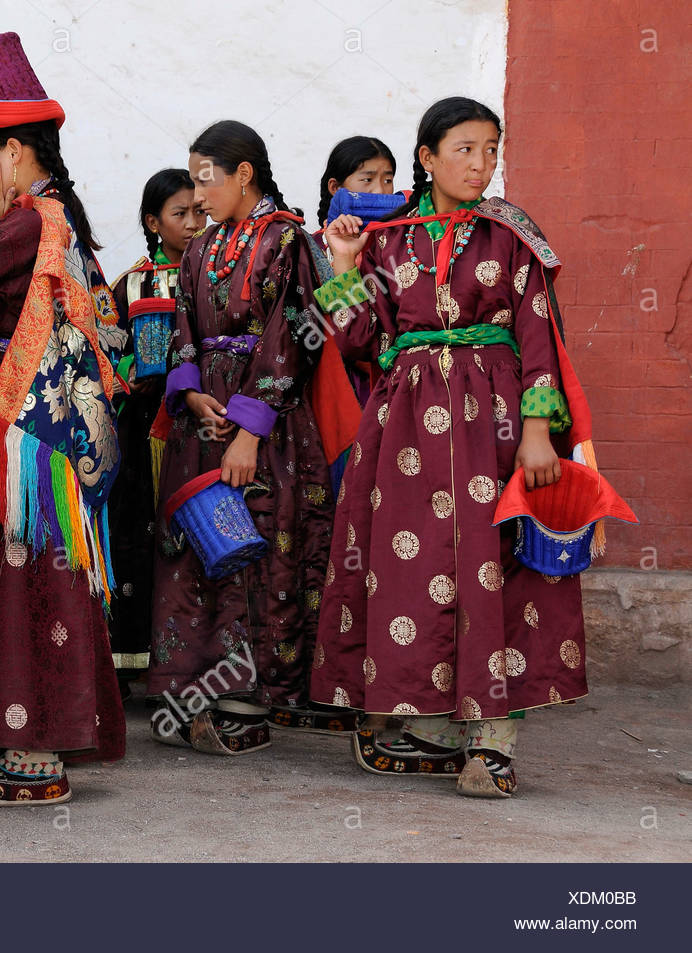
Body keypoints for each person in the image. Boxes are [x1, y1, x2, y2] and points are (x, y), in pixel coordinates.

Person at [310, 96, 603, 798]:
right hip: (403, 427)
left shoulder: (511, 235)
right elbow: (363, 342)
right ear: (427, 157)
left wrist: (537, 430)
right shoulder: (390, 239)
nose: (481, 164)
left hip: (494, 425)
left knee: (494, 570)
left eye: (491, 150)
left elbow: (538, 336)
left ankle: (493, 739)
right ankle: (436, 722)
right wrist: (344, 262)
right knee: (412, 570)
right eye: (465, 149)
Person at [0, 32, 126, 806]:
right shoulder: (60, 220)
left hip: (11, 441)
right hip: (44, 438)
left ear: (12, 153)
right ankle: (38, 730)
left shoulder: (22, 224)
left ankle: (7, 735)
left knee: (0, 581)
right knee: (39, 577)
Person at [148, 120, 348, 755]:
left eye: (207, 178)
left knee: (260, 548)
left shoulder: (284, 240)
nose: (198, 193)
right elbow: (183, 319)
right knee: (197, 550)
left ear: (244, 174)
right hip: (202, 421)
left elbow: (296, 335)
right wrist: (187, 390)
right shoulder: (200, 249)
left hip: (268, 427)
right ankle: (194, 691)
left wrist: (249, 431)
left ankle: (250, 702)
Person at [108, 168, 201, 681]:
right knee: (139, 533)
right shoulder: (130, 284)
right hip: (143, 431)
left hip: (203, 423)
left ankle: (188, 661)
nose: (192, 224)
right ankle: (133, 659)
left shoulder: (215, 275)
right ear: (153, 221)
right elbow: (106, 350)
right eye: (179, 214)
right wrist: (132, 377)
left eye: (199, 212)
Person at [316, 136, 397, 230]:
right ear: (335, 187)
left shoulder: (403, 238)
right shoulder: (313, 243)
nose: (380, 191)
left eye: (387, 181)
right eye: (367, 180)